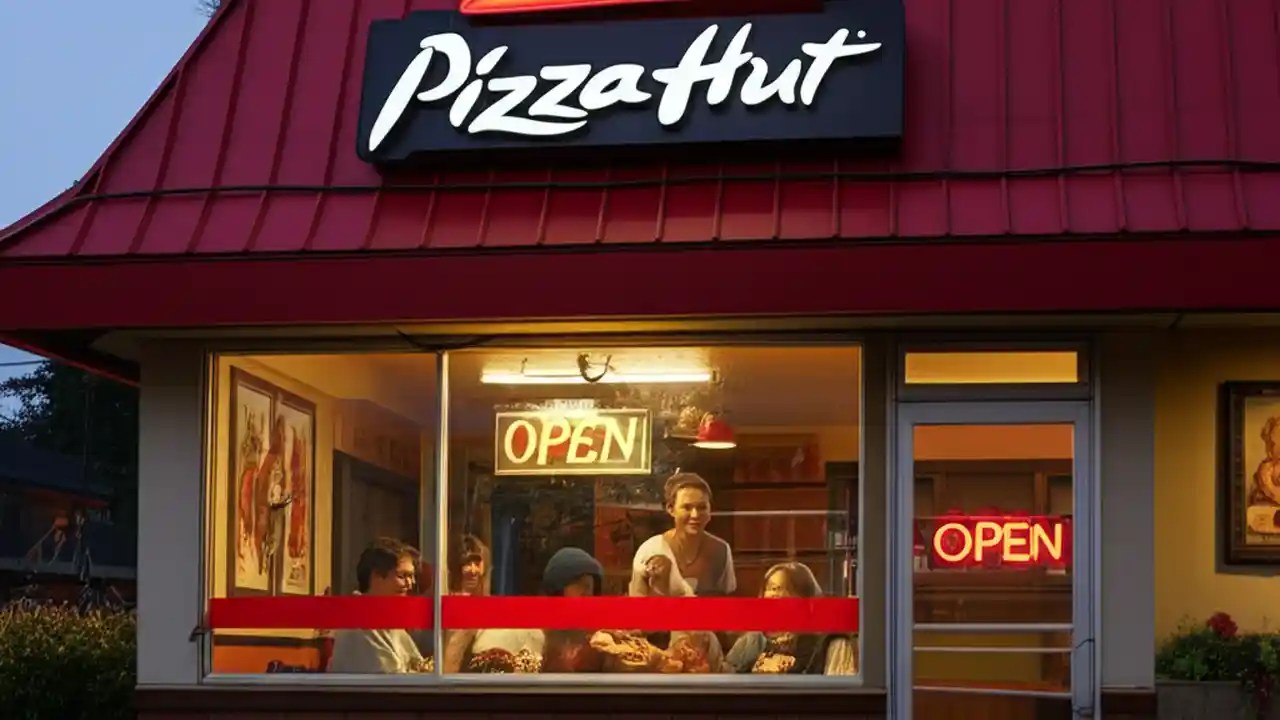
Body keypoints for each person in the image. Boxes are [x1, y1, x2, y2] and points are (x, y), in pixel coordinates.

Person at [724, 562, 857, 675]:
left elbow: (839, 696)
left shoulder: (830, 642)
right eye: (769, 588)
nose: (772, 595)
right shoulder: (752, 640)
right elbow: (728, 677)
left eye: (780, 588)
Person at [328, 538, 428, 674]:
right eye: (403, 576)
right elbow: (390, 680)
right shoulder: (358, 621)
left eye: (412, 577)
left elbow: (419, 665)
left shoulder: (387, 619)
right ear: (376, 576)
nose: (410, 584)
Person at [630, 472, 736, 597]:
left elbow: (727, 600)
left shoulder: (721, 550)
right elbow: (636, 605)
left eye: (702, 507)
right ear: (671, 508)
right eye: (687, 507)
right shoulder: (650, 550)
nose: (695, 515)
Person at [540, 546, 606, 673]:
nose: (586, 593)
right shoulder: (539, 636)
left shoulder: (601, 639)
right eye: (579, 584)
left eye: (589, 587)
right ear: (557, 590)